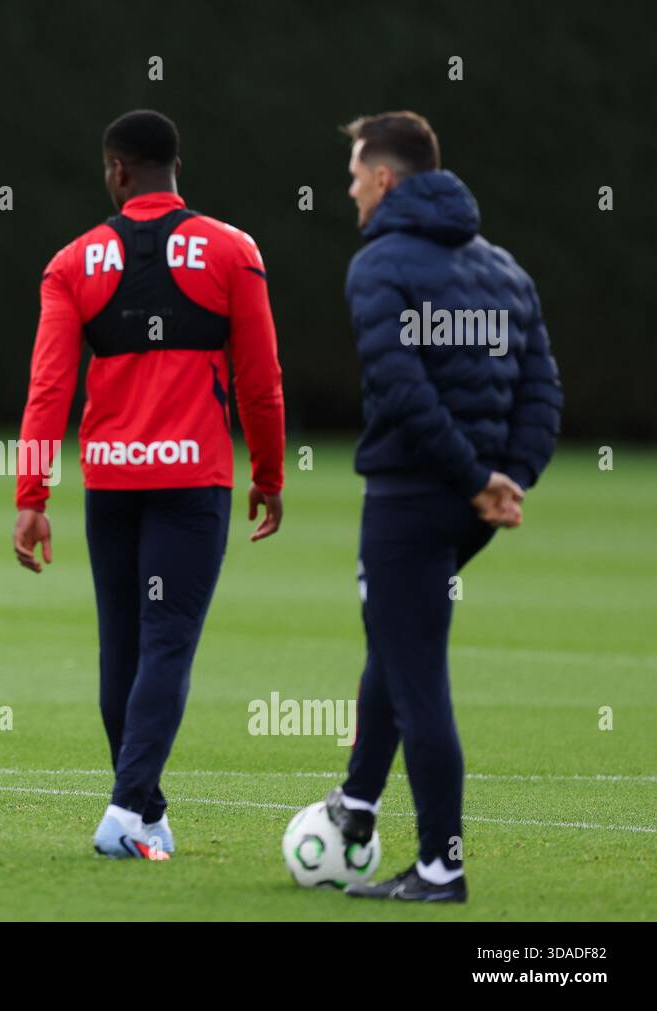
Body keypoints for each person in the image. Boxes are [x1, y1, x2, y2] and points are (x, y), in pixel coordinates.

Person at [14, 109, 286, 858]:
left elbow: (48, 391)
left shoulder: (73, 262)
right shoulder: (233, 250)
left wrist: (31, 497)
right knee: (167, 645)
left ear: (116, 171)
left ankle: (148, 814)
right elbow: (261, 382)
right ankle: (127, 811)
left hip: (114, 485)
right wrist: (268, 473)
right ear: (175, 165)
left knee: (122, 648)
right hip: (194, 482)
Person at [323, 111, 562, 900]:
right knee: (397, 636)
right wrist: (507, 478)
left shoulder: (378, 265)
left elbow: (400, 386)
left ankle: (439, 866)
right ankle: (357, 800)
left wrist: (469, 477)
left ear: (386, 179)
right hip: (468, 506)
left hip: (412, 496)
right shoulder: (504, 269)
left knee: (418, 671)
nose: (351, 189)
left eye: (357, 175)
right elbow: (541, 390)